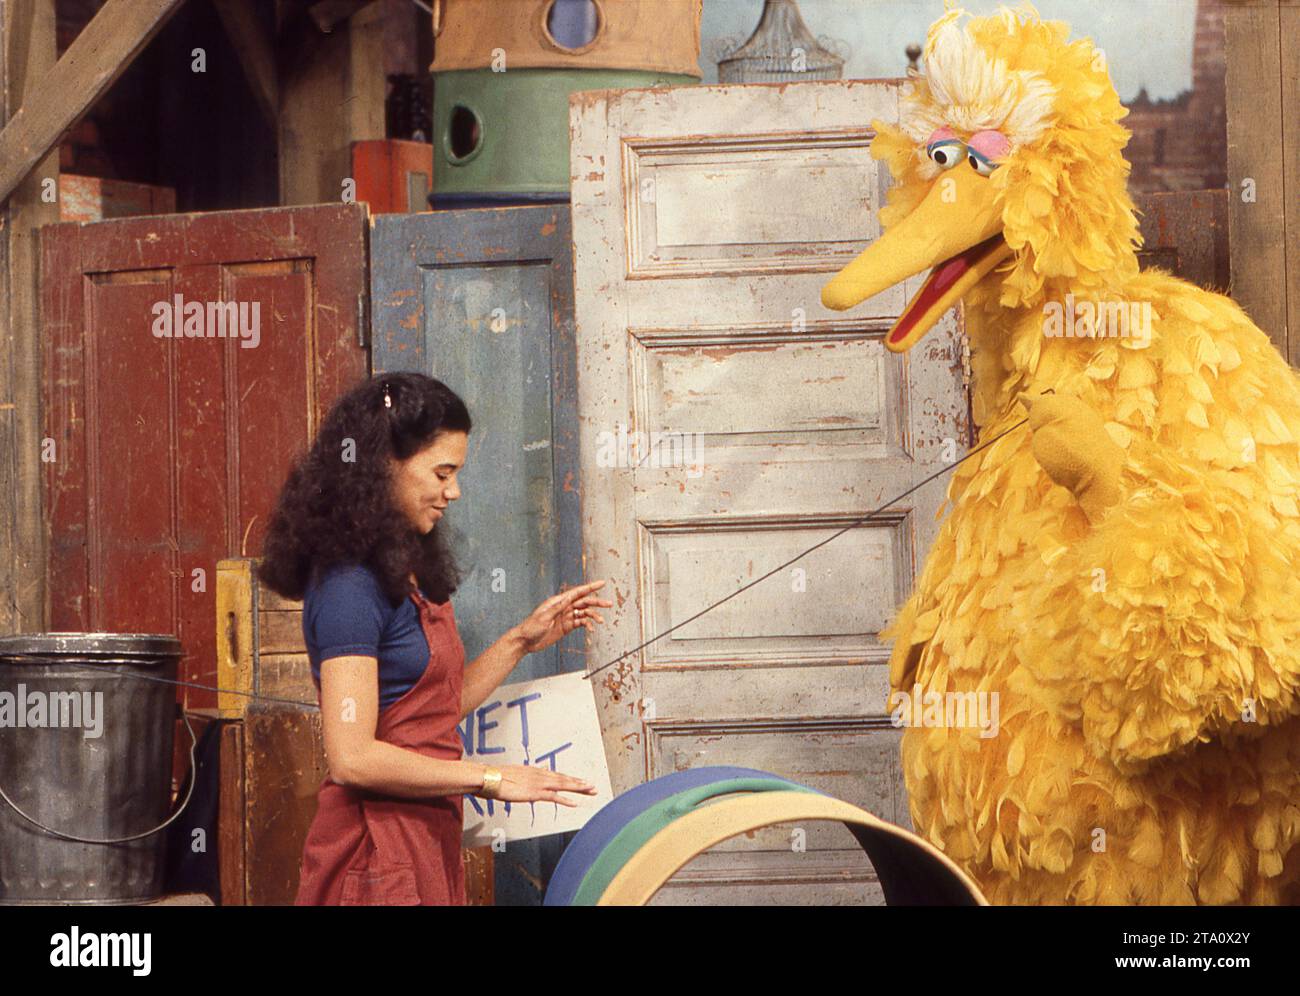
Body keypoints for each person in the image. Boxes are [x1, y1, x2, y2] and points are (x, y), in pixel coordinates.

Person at [257, 372, 610, 905]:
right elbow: (352, 757)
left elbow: (433, 713)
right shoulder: (350, 588)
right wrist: (491, 778)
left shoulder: (405, 572)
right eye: (442, 472)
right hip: (373, 856)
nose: (454, 491)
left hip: (423, 837)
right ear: (381, 466)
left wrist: (522, 639)